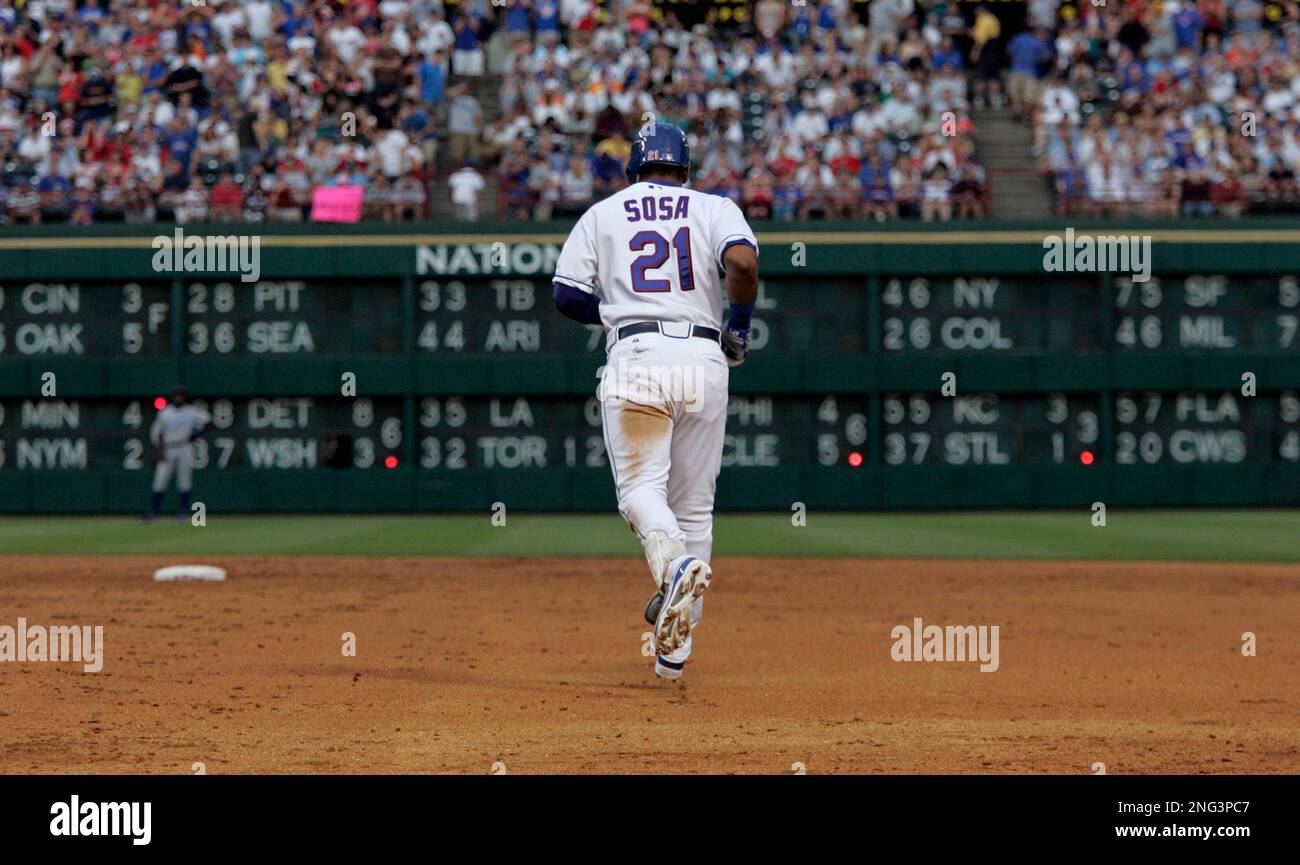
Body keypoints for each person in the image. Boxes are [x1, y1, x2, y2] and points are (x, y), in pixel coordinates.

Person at [551, 123, 759, 681]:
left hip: (638, 356)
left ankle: (674, 567)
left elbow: (566, 295)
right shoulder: (714, 207)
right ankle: (675, 654)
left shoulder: (604, 213)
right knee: (694, 507)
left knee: (641, 492)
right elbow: (741, 265)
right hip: (703, 358)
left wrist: (618, 310)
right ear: (685, 171)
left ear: (633, 171)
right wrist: (738, 328)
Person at [144, 386, 213, 523]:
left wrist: (195, 434)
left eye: (180, 395)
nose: (178, 398)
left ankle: (183, 513)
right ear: (173, 397)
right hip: (168, 448)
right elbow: (157, 433)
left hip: (184, 447)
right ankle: (152, 513)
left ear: (184, 397)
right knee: (160, 481)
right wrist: (160, 451)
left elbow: (208, 421)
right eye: (176, 395)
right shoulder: (165, 413)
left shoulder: (191, 411)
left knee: (184, 481)